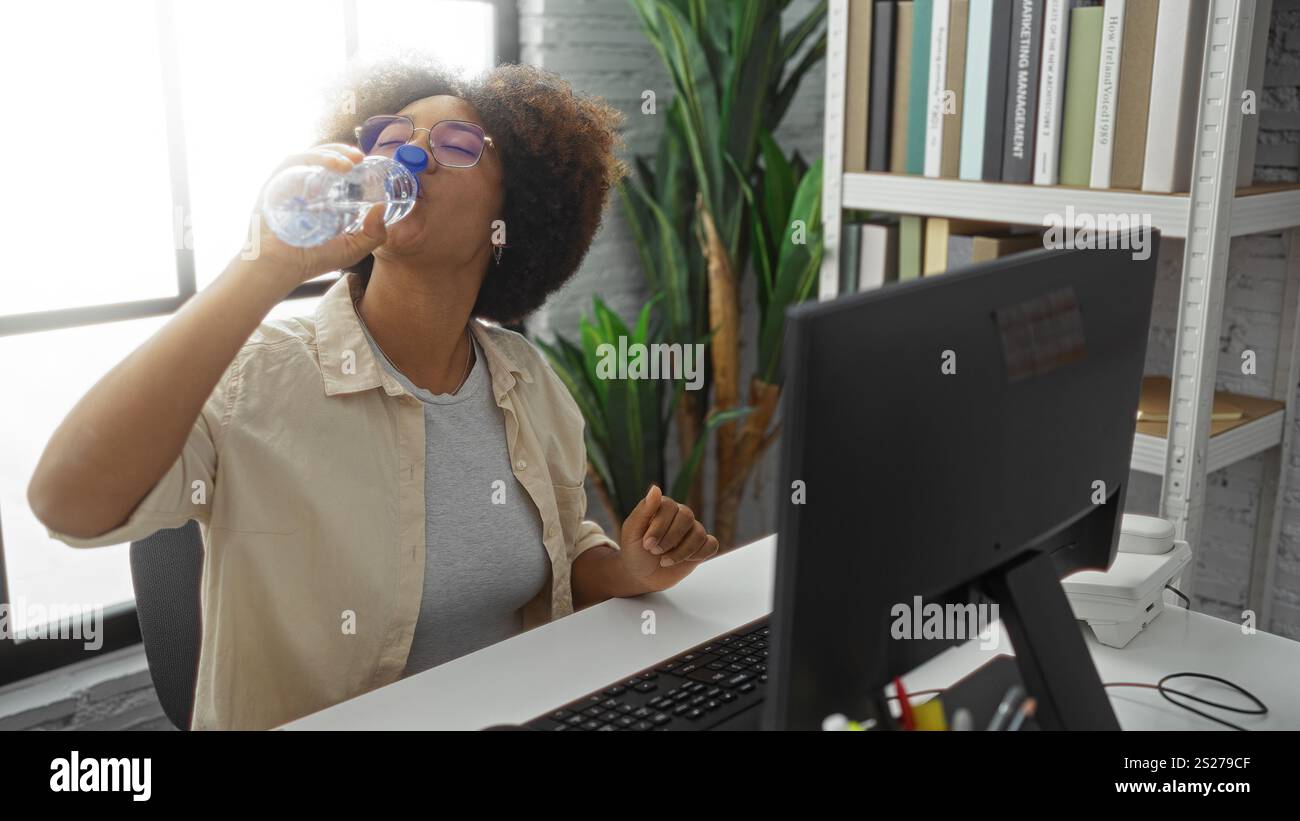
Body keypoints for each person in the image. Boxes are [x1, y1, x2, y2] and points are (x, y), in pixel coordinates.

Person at [27, 58, 719, 730]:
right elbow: (66, 501)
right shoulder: (259, 376)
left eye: (453, 144)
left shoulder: (526, 379)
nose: (408, 155)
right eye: (388, 138)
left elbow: (567, 555)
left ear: (511, 216)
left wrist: (630, 568)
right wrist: (266, 266)